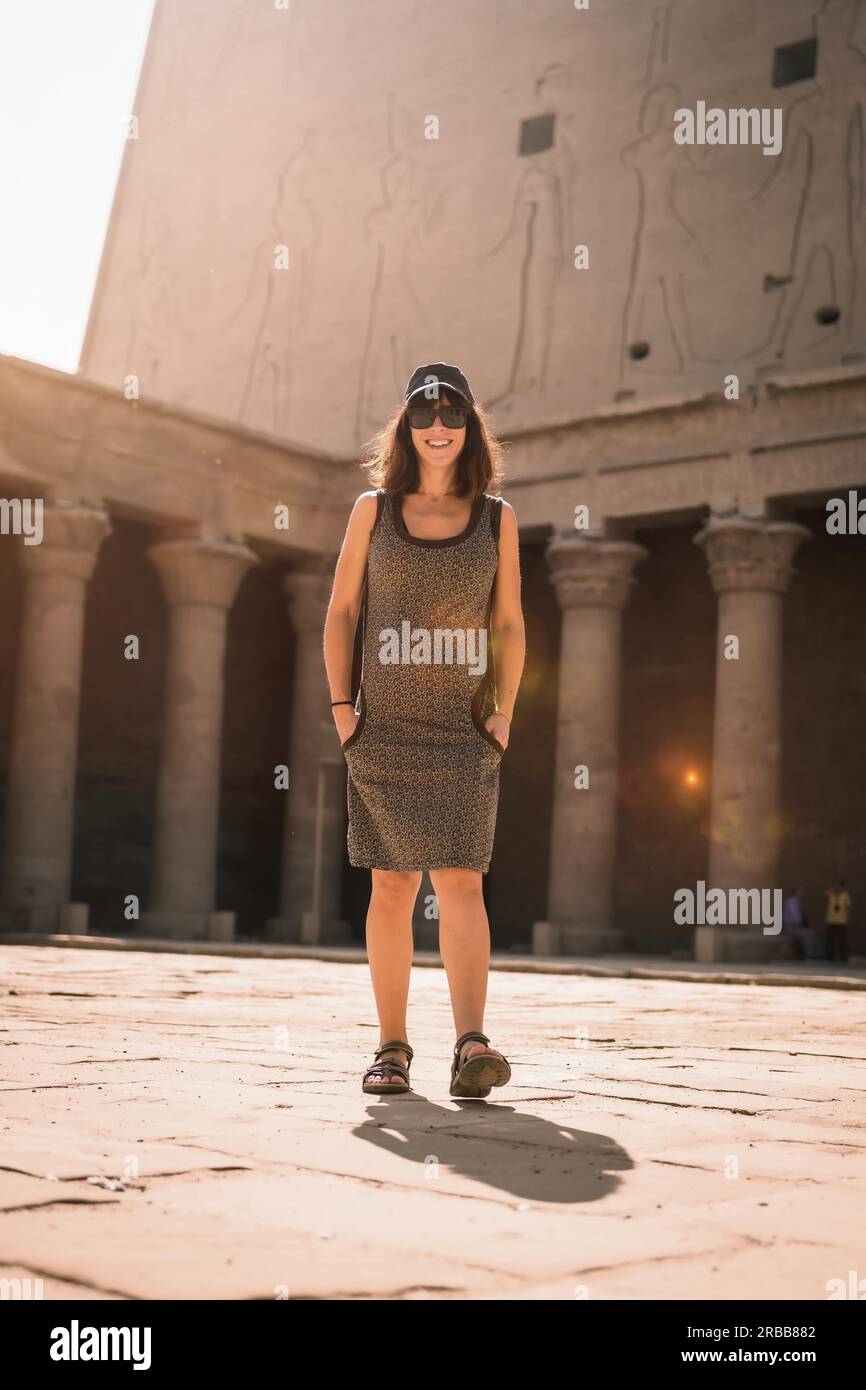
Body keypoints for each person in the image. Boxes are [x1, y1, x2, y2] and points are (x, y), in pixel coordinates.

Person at [324, 363, 526, 1097]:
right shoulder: (371, 510)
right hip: (384, 727)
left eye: (451, 414)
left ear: (469, 426)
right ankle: (392, 1048)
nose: (437, 427)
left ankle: (472, 1043)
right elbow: (343, 610)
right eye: (423, 414)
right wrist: (345, 710)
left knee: (464, 883)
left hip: (463, 726)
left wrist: (502, 713)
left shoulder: (495, 516)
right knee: (391, 886)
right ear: (406, 428)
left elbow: (507, 622)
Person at [781, 886, 823, 961]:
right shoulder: (792, 902)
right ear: (797, 892)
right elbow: (796, 919)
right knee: (809, 935)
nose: (804, 893)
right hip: (789, 928)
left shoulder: (797, 902)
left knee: (813, 933)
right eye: (802, 891)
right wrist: (802, 926)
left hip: (796, 927)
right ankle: (810, 956)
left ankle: (818, 955)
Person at [824, 878, 853, 964]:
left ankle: (843, 957)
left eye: (839, 885)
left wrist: (848, 919)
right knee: (830, 940)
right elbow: (824, 896)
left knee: (842, 940)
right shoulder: (830, 893)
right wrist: (831, 886)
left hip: (842, 921)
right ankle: (830, 957)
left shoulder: (845, 895)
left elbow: (849, 907)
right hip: (830, 920)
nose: (837, 887)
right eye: (835, 885)